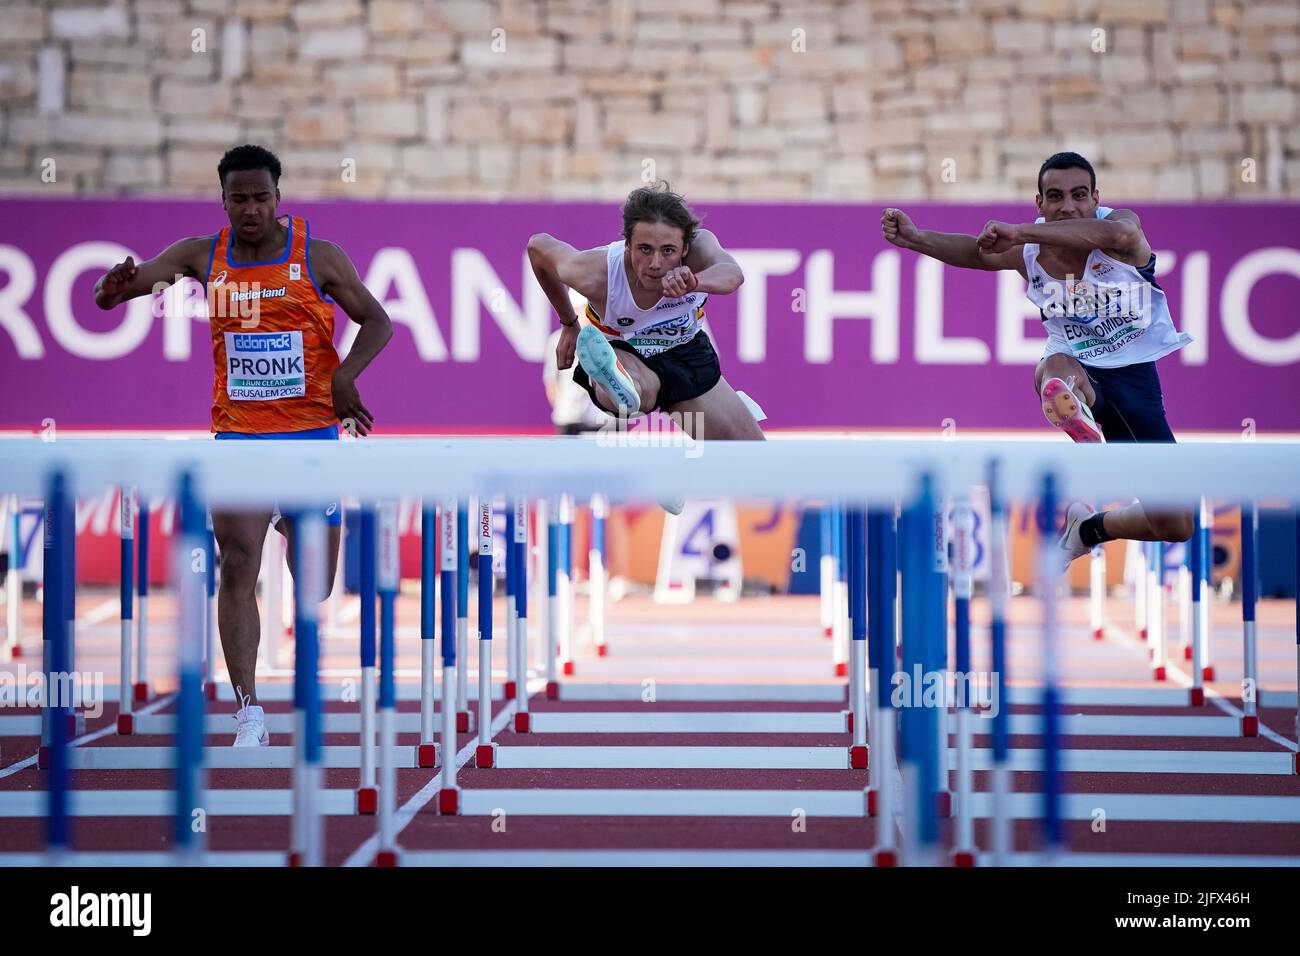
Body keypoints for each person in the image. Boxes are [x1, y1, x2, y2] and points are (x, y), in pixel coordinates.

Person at [93, 144, 393, 745]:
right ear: (223, 200)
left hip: (310, 437)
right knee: (236, 567)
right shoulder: (202, 256)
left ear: (278, 198)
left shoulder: (321, 257)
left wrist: (343, 376)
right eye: (239, 199)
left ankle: (294, 540)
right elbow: (124, 291)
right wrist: (112, 289)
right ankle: (249, 709)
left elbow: (379, 321)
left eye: (261, 198)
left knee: (315, 584)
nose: (251, 209)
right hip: (239, 438)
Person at [880, 151, 1193, 569]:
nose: (1067, 205)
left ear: (1096, 198)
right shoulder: (1028, 254)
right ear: (1040, 203)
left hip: (1134, 377)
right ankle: (1072, 406)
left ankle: (1088, 528)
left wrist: (1022, 232)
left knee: (1175, 524)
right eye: (1055, 196)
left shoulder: (1122, 227)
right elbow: (974, 253)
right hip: (1073, 361)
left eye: (1079, 195)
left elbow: (1116, 235)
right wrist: (916, 238)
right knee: (1056, 371)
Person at [527, 182, 765, 448]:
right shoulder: (595, 272)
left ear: (685, 248)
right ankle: (619, 386)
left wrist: (694, 281)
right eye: (644, 249)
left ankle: (627, 392)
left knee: (753, 454)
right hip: (628, 351)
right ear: (627, 244)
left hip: (686, 354)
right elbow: (538, 247)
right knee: (637, 388)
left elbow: (733, 275)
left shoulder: (699, 249)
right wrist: (569, 323)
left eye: (668, 251)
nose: (655, 263)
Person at [542, 325, 606, 436]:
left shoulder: (605, 339)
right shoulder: (557, 339)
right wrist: (563, 407)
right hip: (569, 416)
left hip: (600, 418)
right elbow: (551, 382)